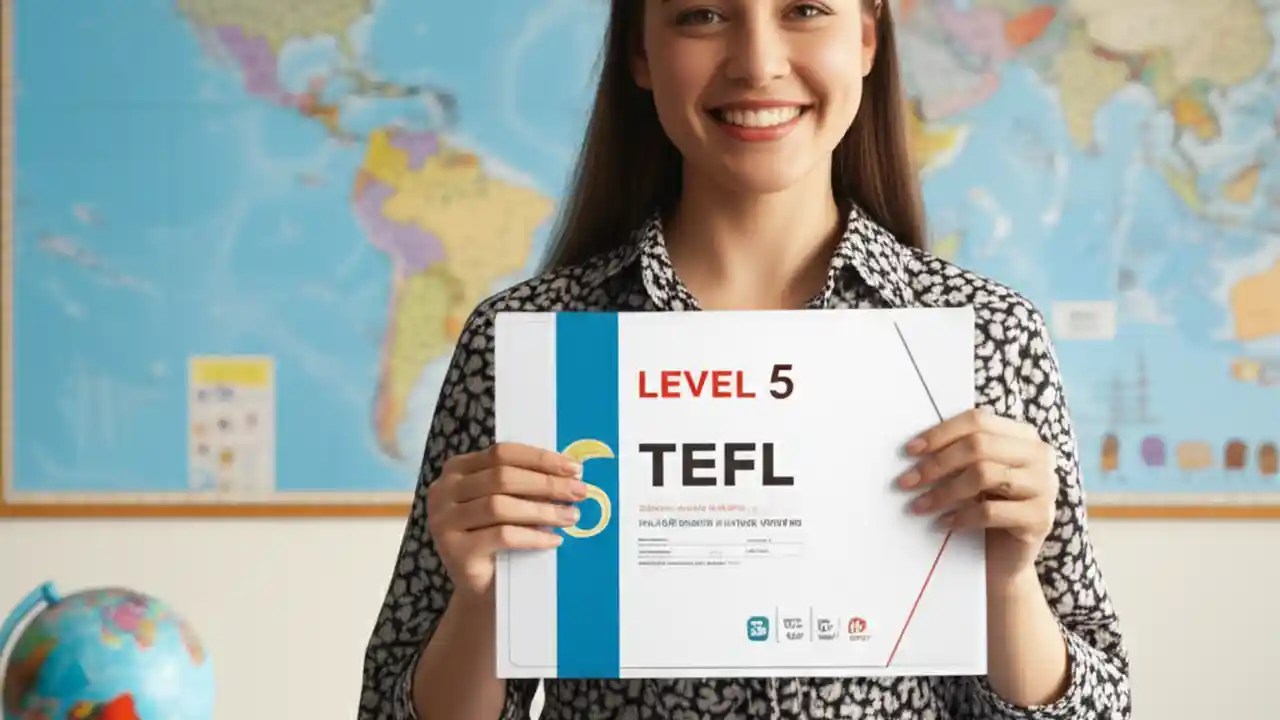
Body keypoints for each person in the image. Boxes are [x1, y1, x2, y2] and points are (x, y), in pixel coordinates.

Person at [359, 0, 1131, 718]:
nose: (758, 62)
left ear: (867, 38)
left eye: (804, 9)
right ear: (640, 53)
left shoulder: (984, 334)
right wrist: (485, 597)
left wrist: (1007, 580)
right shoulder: (530, 343)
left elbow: (1098, 704)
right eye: (702, 14)